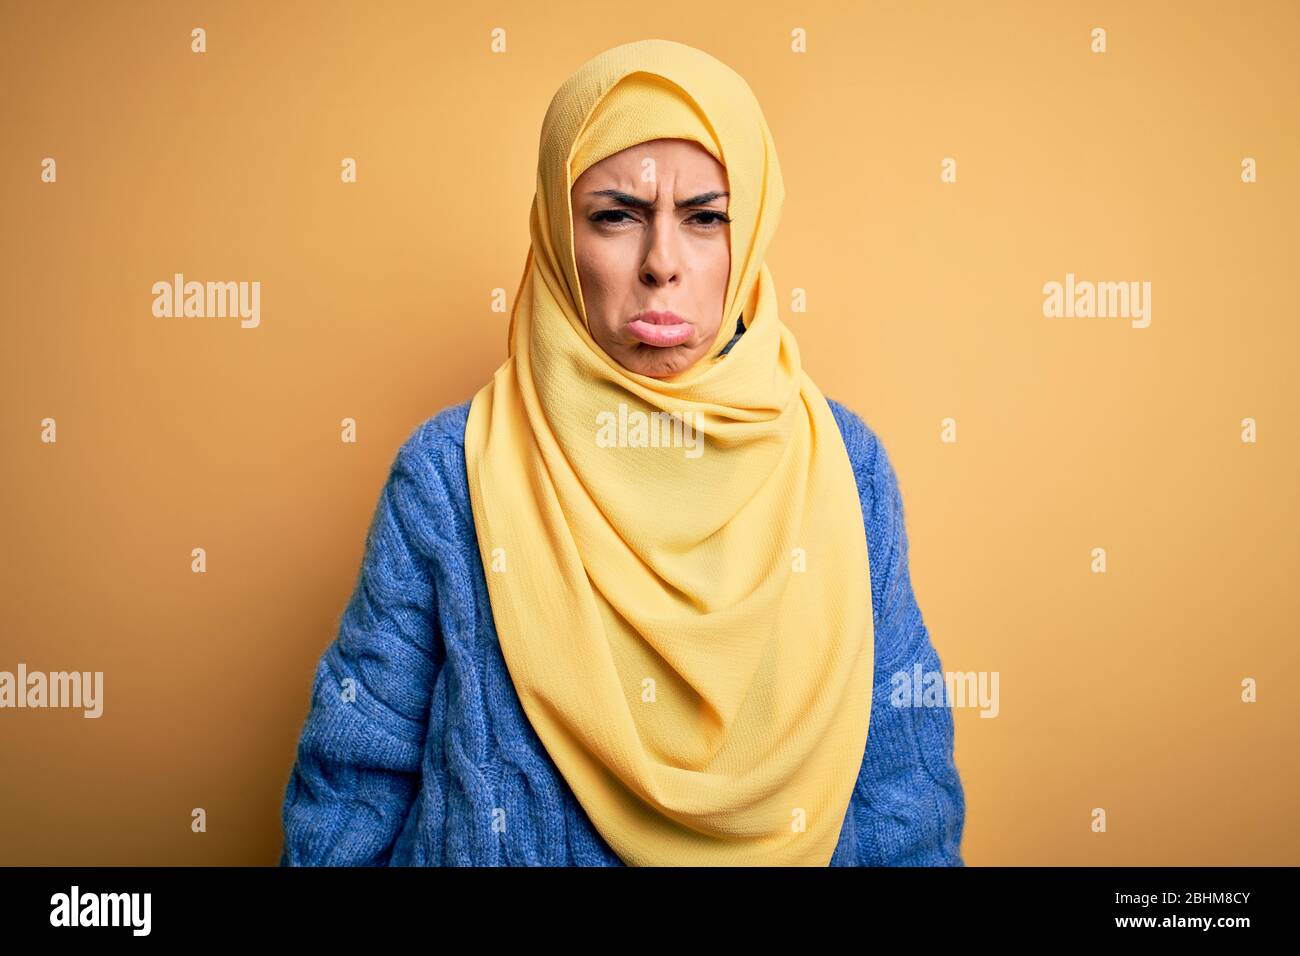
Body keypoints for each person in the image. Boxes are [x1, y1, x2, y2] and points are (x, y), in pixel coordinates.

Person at [279, 38, 965, 866]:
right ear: (556, 234)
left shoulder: (848, 471)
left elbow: (907, 802)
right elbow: (351, 791)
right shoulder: (448, 475)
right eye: (615, 216)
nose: (662, 265)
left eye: (705, 218)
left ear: (745, 241)